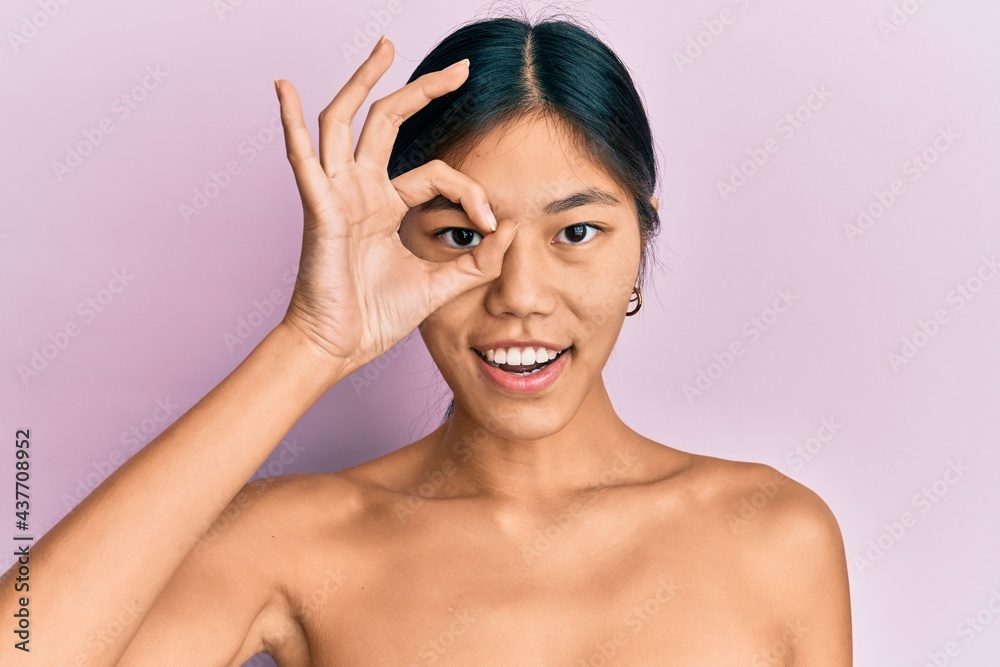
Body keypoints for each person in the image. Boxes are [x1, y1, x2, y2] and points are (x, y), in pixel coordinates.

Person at [0, 13, 852, 666]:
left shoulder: (775, 534)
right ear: (399, 243)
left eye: (576, 232)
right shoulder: (297, 542)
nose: (519, 295)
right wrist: (311, 343)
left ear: (642, 235)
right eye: (460, 234)